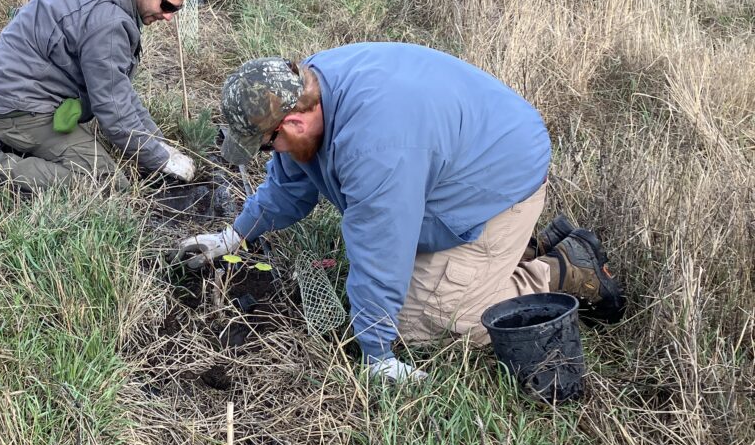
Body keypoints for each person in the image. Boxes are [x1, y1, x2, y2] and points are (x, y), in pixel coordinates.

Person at [175, 46, 625, 382]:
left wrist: (376, 355)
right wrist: (233, 237)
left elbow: (382, 245)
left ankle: (560, 270)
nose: (270, 154)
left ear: (291, 124)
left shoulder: (375, 149)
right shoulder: (304, 91)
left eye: (267, 144)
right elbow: (288, 184)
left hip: (497, 187)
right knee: (394, 290)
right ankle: (509, 252)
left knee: (427, 323)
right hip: (453, 168)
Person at [0, 0, 198, 192]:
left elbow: (120, 91)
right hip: (19, 108)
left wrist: (158, 144)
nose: (169, 16)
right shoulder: (108, 22)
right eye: (168, 6)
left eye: (176, 9)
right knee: (107, 183)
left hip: (10, 94)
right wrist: (160, 159)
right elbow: (113, 112)